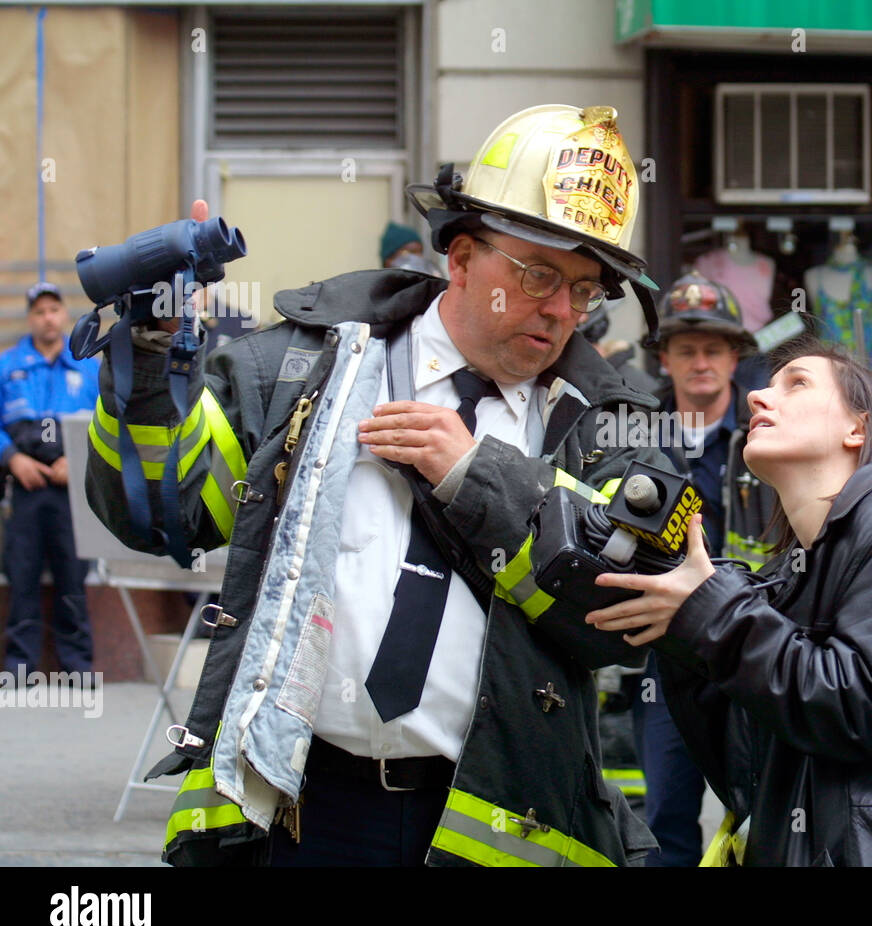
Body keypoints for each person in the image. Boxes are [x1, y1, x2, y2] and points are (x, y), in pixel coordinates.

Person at [86, 103, 670, 867]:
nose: (563, 311)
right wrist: (149, 354)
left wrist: (475, 476)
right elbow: (164, 512)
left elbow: (627, 606)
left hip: (493, 825)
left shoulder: (616, 417)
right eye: (538, 275)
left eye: (587, 290)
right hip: (299, 808)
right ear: (460, 258)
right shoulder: (297, 365)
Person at [589, 340, 872, 866]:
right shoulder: (799, 568)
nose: (757, 398)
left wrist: (713, 609)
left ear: (856, 428)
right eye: (771, 384)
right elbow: (742, 765)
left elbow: (851, 710)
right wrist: (684, 628)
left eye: (797, 383)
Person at [629, 271, 777, 866]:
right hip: (668, 656)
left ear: (734, 356)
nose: (700, 362)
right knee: (666, 813)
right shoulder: (632, 437)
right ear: (663, 357)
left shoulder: (767, 433)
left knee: (769, 812)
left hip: (756, 645)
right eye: (685, 349)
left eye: (713, 349)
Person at [1, 282, 100, 680]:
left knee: (72, 576)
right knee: (21, 573)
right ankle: (19, 667)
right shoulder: (8, 365)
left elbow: (106, 428)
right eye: (39, 311)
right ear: (31, 318)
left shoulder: (89, 368)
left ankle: (77, 666)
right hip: (24, 488)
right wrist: (13, 458)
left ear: (64, 316)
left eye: (54, 310)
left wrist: (76, 462)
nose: (47, 318)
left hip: (72, 492)